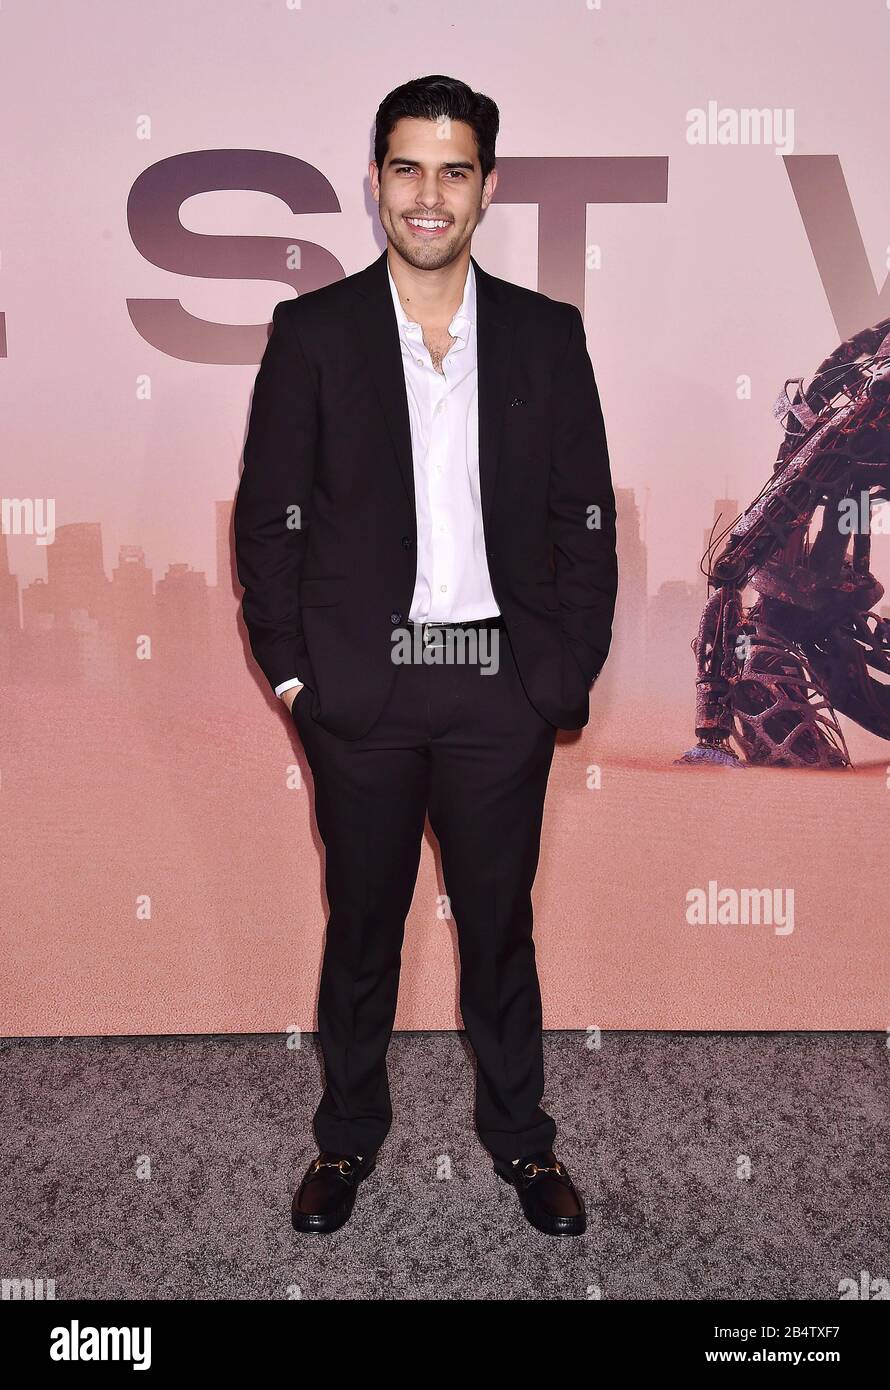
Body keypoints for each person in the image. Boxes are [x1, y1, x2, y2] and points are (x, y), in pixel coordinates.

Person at [234, 74, 618, 1238]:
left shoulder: (548, 336)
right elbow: (267, 517)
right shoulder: (313, 333)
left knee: (499, 930)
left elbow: (582, 518)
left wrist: (560, 676)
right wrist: (300, 679)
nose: (428, 194)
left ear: (487, 187)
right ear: (375, 181)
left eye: (454, 170)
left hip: (501, 686)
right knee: (363, 924)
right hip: (366, 692)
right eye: (407, 167)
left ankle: (521, 1143)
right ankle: (345, 1139)